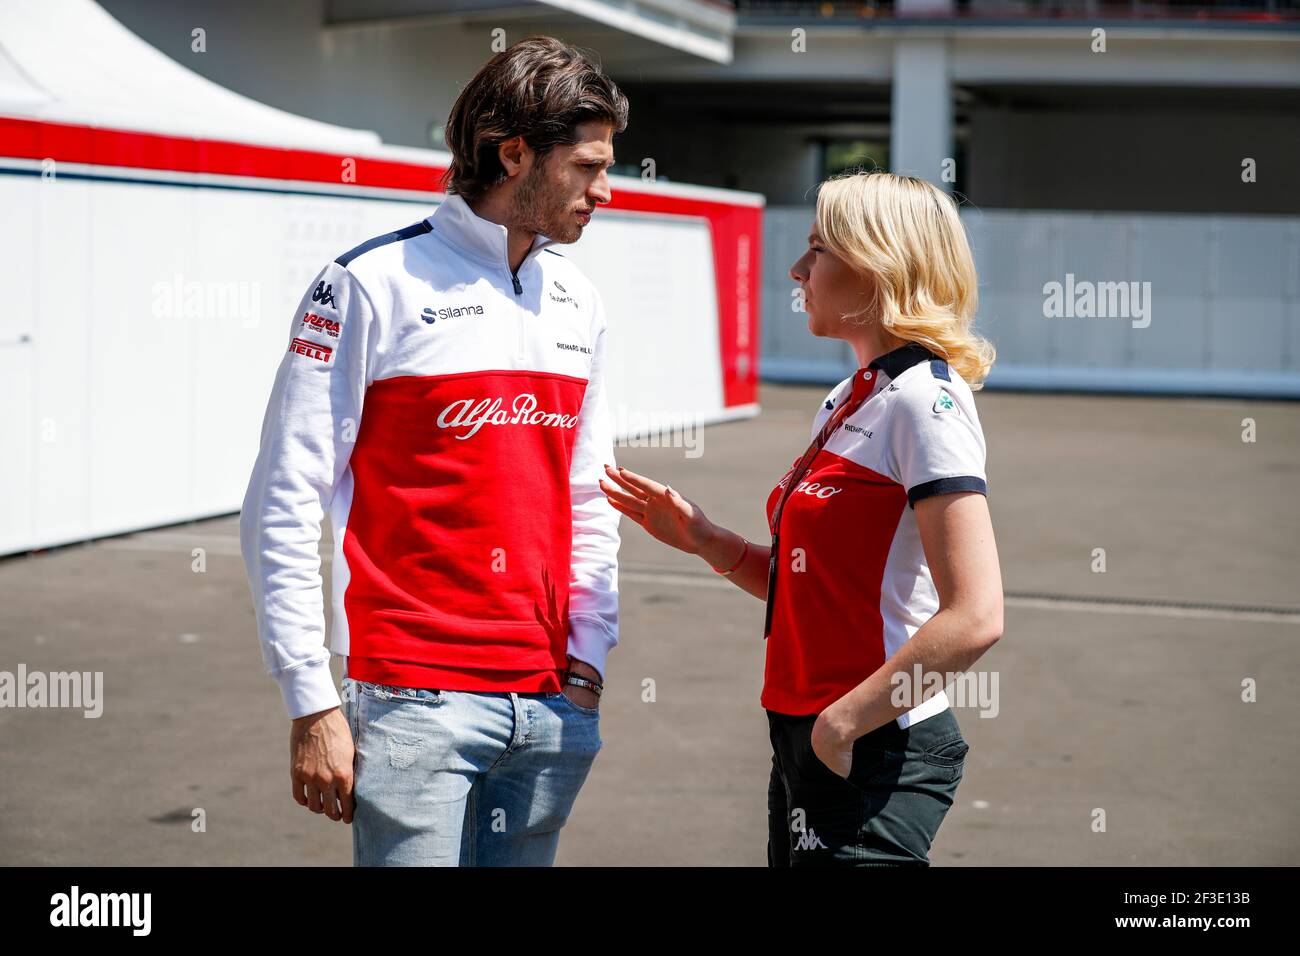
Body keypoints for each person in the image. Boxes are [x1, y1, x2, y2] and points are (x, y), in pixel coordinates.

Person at [238, 36, 628, 866]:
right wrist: (312, 702)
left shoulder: (580, 300)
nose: (605, 189)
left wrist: (588, 662)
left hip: (550, 701)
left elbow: (588, 495)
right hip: (411, 698)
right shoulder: (367, 283)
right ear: (514, 152)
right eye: (588, 165)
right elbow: (284, 496)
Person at [601, 171, 1004, 866]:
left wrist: (842, 725)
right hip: (804, 730)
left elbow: (975, 616)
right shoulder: (851, 397)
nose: (796, 270)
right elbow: (814, 586)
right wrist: (707, 540)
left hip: (876, 741)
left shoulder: (924, 401)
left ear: (877, 266)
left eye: (817, 250)